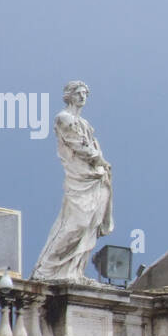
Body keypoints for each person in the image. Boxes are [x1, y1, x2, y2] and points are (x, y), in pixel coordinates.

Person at [31, 81, 113, 282]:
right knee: (76, 223)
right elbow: (79, 146)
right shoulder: (63, 118)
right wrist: (99, 160)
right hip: (79, 179)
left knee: (90, 225)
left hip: (95, 178)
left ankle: (73, 271)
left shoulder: (85, 124)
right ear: (69, 96)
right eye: (79, 93)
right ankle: (46, 270)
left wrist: (101, 166)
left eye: (85, 93)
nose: (83, 97)